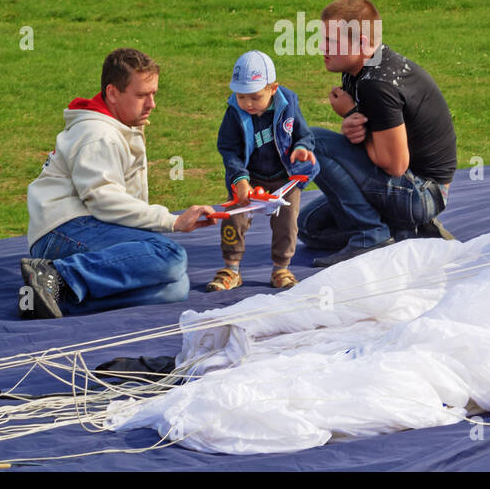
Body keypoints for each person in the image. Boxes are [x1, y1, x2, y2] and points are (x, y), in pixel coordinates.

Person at [19, 48, 215, 319]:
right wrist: (171, 221)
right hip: (64, 230)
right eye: (142, 95)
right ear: (112, 93)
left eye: (154, 94)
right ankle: (56, 275)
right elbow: (103, 200)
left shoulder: (117, 125)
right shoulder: (99, 135)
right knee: (169, 254)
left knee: (175, 287)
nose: (152, 104)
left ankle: (49, 297)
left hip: (82, 225)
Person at [298, 0, 458, 267]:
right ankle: (405, 231)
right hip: (413, 187)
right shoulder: (360, 68)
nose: (321, 48)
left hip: (422, 193)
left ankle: (369, 237)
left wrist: (349, 115)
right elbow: (370, 138)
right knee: (310, 227)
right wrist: (353, 126)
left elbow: (396, 165)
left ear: (361, 43)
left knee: (313, 141)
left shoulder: (377, 84)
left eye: (331, 41)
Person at [208, 50, 319, 292]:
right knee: (233, 219)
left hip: (284, 178)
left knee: (287, 223)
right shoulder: (234, 113)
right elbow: (228, 148)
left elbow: (305, 136)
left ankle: (281, 268)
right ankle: (231, 269)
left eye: (255, 97)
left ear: (273, 88)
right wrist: (240, 180)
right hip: (248, 178)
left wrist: (301, 148)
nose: (247, 103)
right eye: (241, 96)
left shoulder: (288, 105)